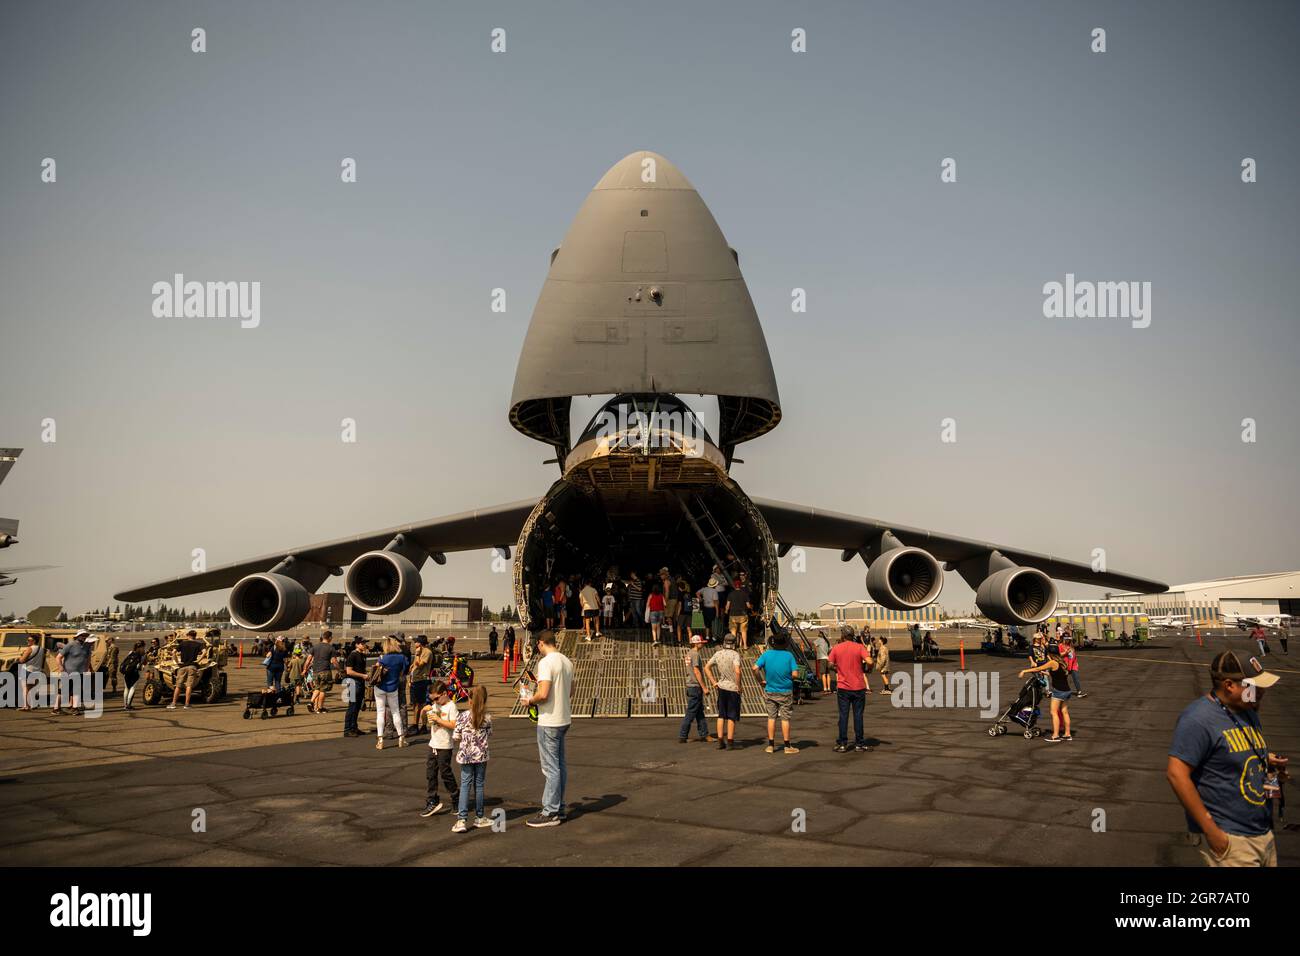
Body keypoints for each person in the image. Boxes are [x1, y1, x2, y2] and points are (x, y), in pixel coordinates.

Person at [1167, 652, 1286, 867]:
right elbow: (1176, 774)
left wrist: (1267, 763)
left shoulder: (1247, 710)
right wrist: (1212, 832)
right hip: (1231, 839)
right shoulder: (1197, 719)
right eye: (1255, 686)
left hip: (1261, 831)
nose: (1261, 692)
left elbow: (1235, 750)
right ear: (1229, 685)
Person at [524, 631, 573, 827]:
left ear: (542, 643)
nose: (538, 648)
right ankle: (558, 808)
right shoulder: (567, 662)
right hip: (564, 718)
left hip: (549, 721)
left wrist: (530, 700)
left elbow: (543, 694)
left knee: (550, 768)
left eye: (538, 645)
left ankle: (550, 811)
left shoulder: (545, 663)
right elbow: (571, 692)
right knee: (560, 765)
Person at [451, 685, 494, 832]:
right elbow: (489, 734)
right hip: (481, 755)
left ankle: (462, 820)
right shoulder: (487, 718)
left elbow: (456, 736)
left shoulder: (462, 717)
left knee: (465, 785)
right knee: (479, 785)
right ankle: (480, 817)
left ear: (470, 701)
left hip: (466, 756)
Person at [753, 633, 800, 754]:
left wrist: (760, 681)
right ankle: (787, 745)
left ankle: (771, 745)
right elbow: (795, 674)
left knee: (771, 717)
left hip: (770, 690)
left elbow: (755, 668)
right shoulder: (789, 655)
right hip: (785, 691)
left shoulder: (767, 654)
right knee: (785, 719)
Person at [828, 632, 873, 752]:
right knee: (858, 715)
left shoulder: (837, 648)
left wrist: (837, 668)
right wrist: (869, 669)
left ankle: (842, 743)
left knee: (843, 715)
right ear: (853, 635)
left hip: (843, 687)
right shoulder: (859, 647)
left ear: (843, 635)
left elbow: (830, 664)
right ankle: (859, 743)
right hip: (858, 687)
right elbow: (870, 662)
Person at [422, 679, 461, 817]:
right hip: (433, 744)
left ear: (444, 693)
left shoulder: (451, 706)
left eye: (437, 698)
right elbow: (427, 721)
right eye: (432, 699)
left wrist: (439, 720)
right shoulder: (435, 705)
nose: (435, 701)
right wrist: (424, 712)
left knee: (445, 773)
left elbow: (455, 725)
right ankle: (432, 800)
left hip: (445, 745)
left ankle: (456, 798)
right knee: (430, 774)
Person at [1019, 650, 1073, 742]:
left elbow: (1037, 668)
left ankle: (1055, 736)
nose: (1047, 657)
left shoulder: (1052, 662)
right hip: (1067, 690)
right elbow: (1057, 674)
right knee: (1064, 712)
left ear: (1050, 655)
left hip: (1058, 691)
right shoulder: (1061, 662)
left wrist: (1024, 671)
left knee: (1053, 712)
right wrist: (1045, 673)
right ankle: (1067, 734)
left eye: (1047, 655)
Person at [705, 633, 743, 749]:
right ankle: (730, 742)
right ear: (734, 643)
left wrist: (714, 682)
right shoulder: (735, 655)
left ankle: (720, 740)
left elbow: (707, 667)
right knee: (731, 716)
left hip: (721, 687)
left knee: (721, 715)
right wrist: (739, 686)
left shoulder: (718, 653)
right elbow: (737, 671)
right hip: (732, 688)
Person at [678, 634, 716, 743]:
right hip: (695, 686)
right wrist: (704, 687)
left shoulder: (689, 654)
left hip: (690, 685)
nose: (702, 644)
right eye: (701, 642)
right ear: (695, 643)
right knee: (691, 712)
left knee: (699, 712)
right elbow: (696, 671)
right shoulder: (695, 654)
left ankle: (704, 734)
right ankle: (683, 735)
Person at [373, 637, 409, 750]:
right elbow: (405, 670)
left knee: (380, 712)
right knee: (395, 711)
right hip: (393, 687)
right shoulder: (402, 657)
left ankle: (380, 740)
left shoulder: (382, 657)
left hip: (380, 687)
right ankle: (401, 737)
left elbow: (377, 669)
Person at [166, 630, 205, 711]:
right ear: (195, 636)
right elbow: (204, 652)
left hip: (182, 666)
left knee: (178, 686)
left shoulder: (183, 643)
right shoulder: (198, 644)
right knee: (189, 686)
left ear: (188, 635)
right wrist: (198, 661)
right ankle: (187, 704)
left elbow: (174, 652)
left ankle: (173, 703)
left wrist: (176, 662)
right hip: (192, 666)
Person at [57, 630, 92, 715]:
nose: (84, 637)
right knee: (62, 691)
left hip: (80, 673)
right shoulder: (70, 645)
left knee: (76, 691)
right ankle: (56, 708)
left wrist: (86, 669)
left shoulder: (86, 647)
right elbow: (58, 657)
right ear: (78, 636)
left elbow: (87, 659)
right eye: (82, 635)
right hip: (68, 672)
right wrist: (61, 668)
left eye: (85, 635)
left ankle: (74, 708)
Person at [342, 637, 369, 737]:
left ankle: (354, 727)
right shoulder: (353, 655)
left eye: (365, 643)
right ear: (357, 645)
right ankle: (347, 729)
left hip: (360, 683)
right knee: (352, 707)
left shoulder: (361, 655)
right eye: (362, 643)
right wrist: (363, 675)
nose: (364, 645)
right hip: (353, 683)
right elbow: (349, 671)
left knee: (357, 707)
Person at [307, 631, 337, 714]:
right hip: (325, 671)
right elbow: (334, 661)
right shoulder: (331, 648)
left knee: (317, 688)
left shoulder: (315, 647)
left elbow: (308, 659)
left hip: (315, 671)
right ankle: (320, 708)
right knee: (323, 690)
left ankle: (311, 702)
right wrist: (340, 669)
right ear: (330, 638)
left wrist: (305, 669)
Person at [409, 635, 433, 733]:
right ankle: (415, 724)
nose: (414, 644)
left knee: (422, 703)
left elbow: (420, 664)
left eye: (416, 642)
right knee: (415, 703)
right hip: (415, 680)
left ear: (420, 643)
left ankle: (423, 725)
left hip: (422, 680)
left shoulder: (427, 652)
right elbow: (414, 666)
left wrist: (417, 655)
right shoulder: (418, 652)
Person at [16, 635, 44, 710]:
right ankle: (33, 704)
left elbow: (22, 660)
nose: (27, 641)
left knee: (25, 688)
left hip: (27, 670)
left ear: (34, 641)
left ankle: (26, 705)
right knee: (31, 688)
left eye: (29, 640)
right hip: (37, 671)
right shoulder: (41, 649)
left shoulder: (29, 649)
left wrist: (21, 656)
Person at [725, 578, 752, 650]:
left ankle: (733, 646)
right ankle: (745, 646)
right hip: (743, 615)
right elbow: (748, 605)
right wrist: (751, 607)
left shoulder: (731, 594)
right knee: (743, 631)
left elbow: (728, 605)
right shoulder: (745, 594)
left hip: (733, 615)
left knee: (733, 631)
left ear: (734, 586)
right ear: (740, 586)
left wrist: (726, 611)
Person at [120, 641, 145, 711]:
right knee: (132, 688)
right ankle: (129, 705)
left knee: (126, 688)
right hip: (134, 673)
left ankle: (125, 705)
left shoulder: (131, 652)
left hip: (126, 672)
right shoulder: (142, 654)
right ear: (142, 646)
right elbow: (141, 665)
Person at [697, 577, 720, 642]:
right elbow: (716, 603)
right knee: (714, 623)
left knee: (707, 623)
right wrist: (717, 613)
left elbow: (697, 593)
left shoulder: (704, 589)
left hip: (705, 608)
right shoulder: (714, 591)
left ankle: (707, 636)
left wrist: (700, 599)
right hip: (712, 609)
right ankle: (714, 637)